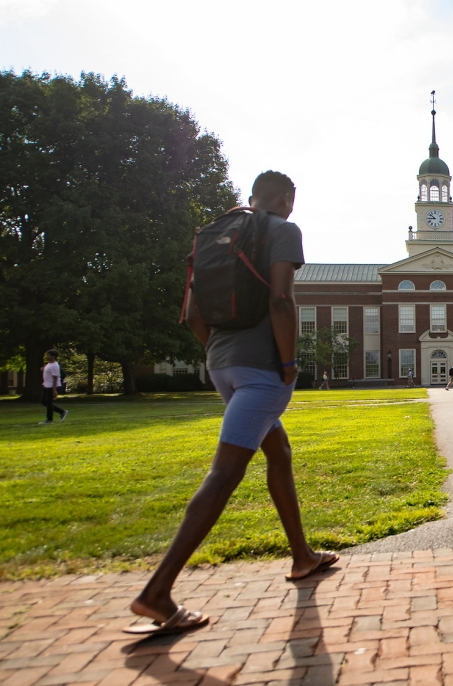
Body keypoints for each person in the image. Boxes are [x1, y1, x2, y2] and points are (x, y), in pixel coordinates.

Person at [126, 171, 337, 637]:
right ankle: (157, 593)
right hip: (261, 370)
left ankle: (302, 557)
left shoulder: (214, 234)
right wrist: (285, 363)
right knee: (224, 472)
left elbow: (191, 315)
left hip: (223, 365)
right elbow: (281, 300)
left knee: (277, 451)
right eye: (291, 201)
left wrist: (219, 351)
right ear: (287, 198)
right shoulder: (282, 230)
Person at [38, 349, 67, 425]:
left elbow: (55, 378)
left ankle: (49, 419)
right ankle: (62, 411)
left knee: (49, 402)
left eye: (48, 355)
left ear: (53, 356)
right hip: (46, 385)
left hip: (51, 386)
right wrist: (43, 369)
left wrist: (54, 390)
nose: (47, 356)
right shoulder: (49, 364)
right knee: (44, 402)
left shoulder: (55, 365)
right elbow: (47, 372)